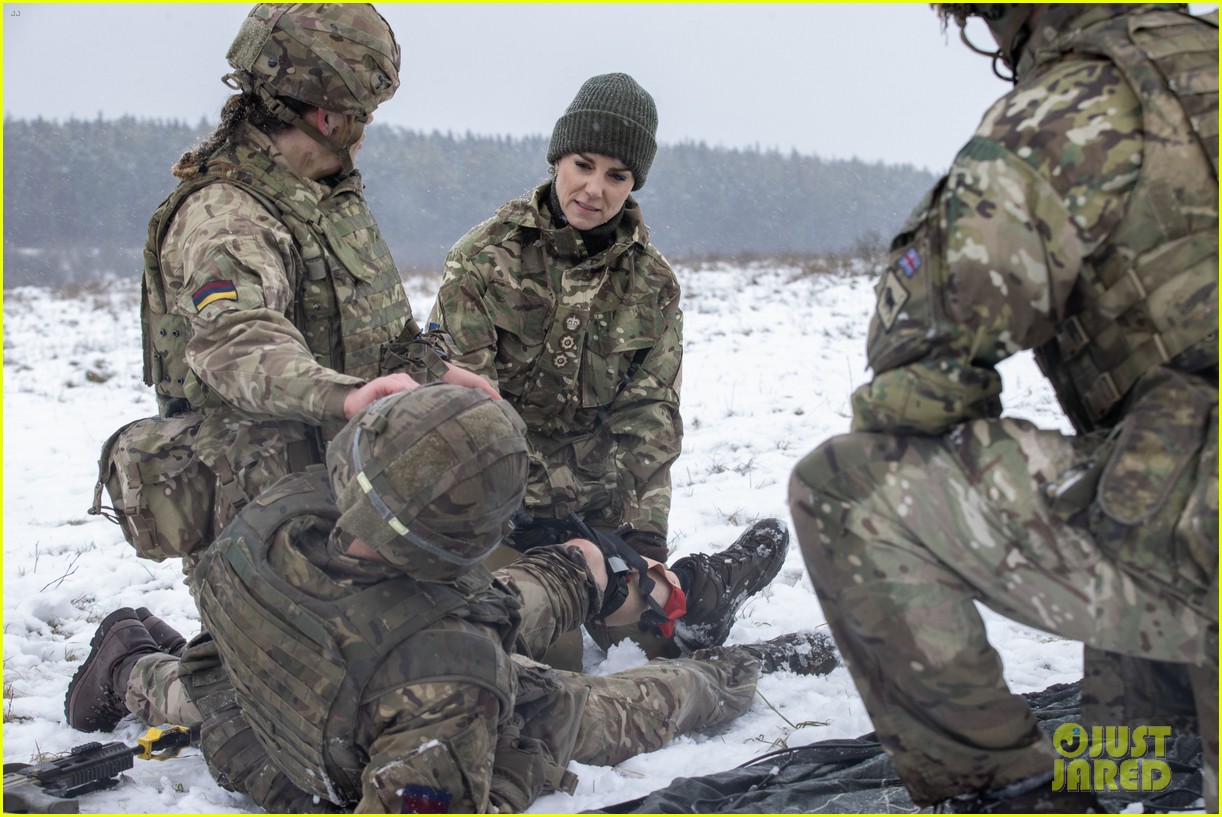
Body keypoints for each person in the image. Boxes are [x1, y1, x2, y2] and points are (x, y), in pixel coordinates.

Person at [789, 4, 1217, 812]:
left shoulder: (1073, 103)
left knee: (848, 489)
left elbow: (918, 370)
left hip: (1195, 524)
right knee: (1132, 745)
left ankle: (1006, 793)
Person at [65, 384, 839, 813]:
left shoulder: (284, 511)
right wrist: (520, 768)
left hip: (261, 700)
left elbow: (426, 606)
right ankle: (742, 665)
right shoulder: (451, 678)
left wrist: (564, 575)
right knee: (638, 701)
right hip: (366, 738)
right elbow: (442, 689)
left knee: (216, 688)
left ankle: (130, 665)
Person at [122, 2, 495, 572]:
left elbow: (363, 336)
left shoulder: (321, 194)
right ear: (328, 118)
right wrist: (345, 396)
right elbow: (240, 344)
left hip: (351, 501)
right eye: (364, 115)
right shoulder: (227, 217)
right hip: (269, 532)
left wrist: (432, 373)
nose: (366, 131)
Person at [428, 72, 784, 660]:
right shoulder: (483, 260)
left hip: (599, 511)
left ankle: (709, 586)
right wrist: (520, 513)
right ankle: (670, 588)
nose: (594, 189)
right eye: (583, 165)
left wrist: (644, 538)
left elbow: (650, 416)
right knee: (537, 658)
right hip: (498, 509)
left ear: (633, 183)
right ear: (557, 160)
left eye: (616, 175)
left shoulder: (653, 284)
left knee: (661, 643)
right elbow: (465, 406)